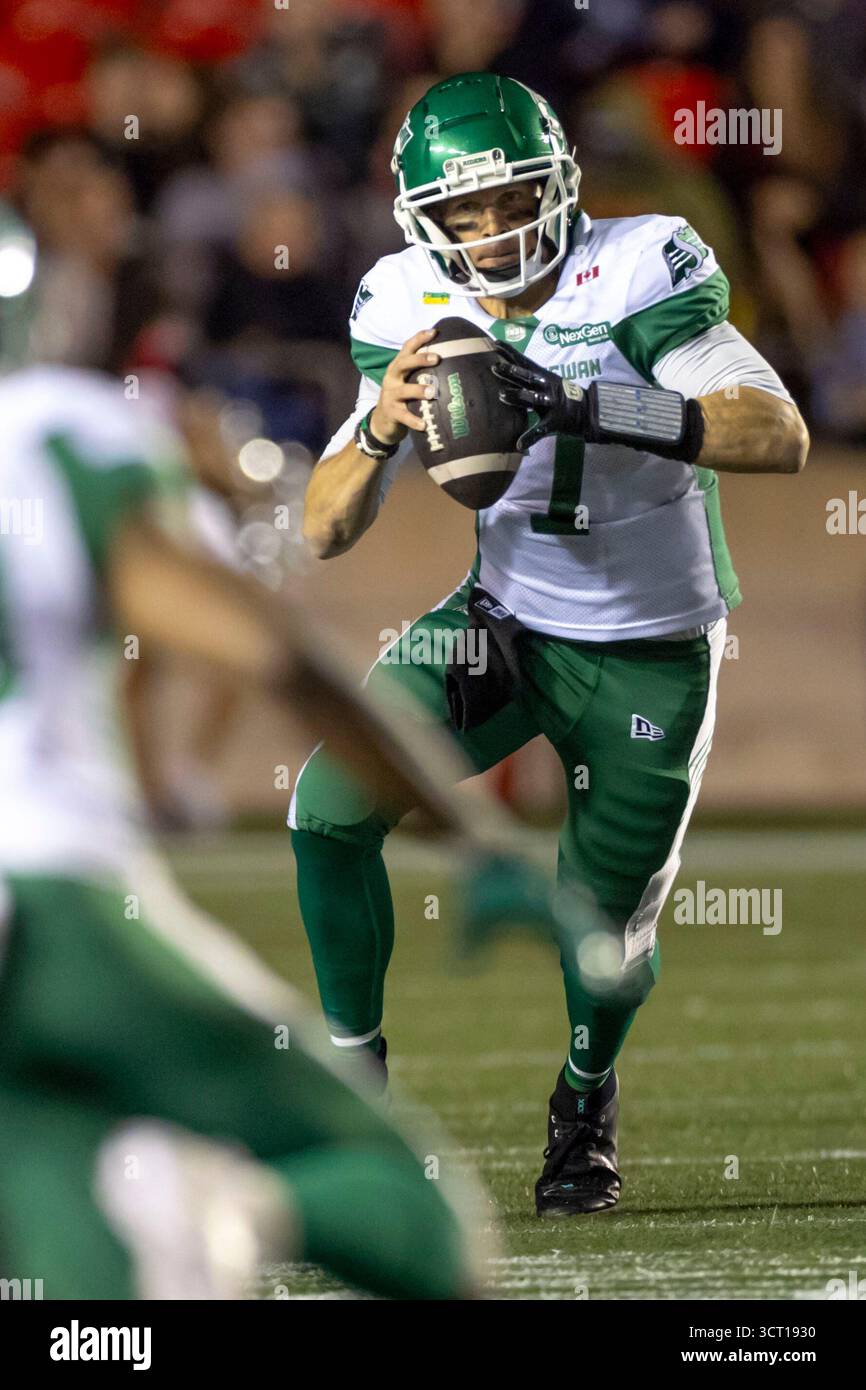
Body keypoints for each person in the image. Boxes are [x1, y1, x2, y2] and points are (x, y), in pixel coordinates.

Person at [291, 71, 809, 1218]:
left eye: (510, 199)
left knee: (602, 937)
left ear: (562, 180)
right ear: (425, 222)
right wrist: (380, 424)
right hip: (500, 624)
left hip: (649, 647)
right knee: (324, 807)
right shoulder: (406, 299)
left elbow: (775, 434)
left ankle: (583, 1095)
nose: (489, 232)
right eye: (461, 215)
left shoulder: (635, 261)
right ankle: (353, 1082)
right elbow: (322, 527)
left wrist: (584, 404)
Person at [0, 199, 511, 1299]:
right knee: (415, 1214)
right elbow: (271, 655)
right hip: (39, 897)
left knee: (68, 1256)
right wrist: (477, 838)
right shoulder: (49, 433)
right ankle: (228, 1208)